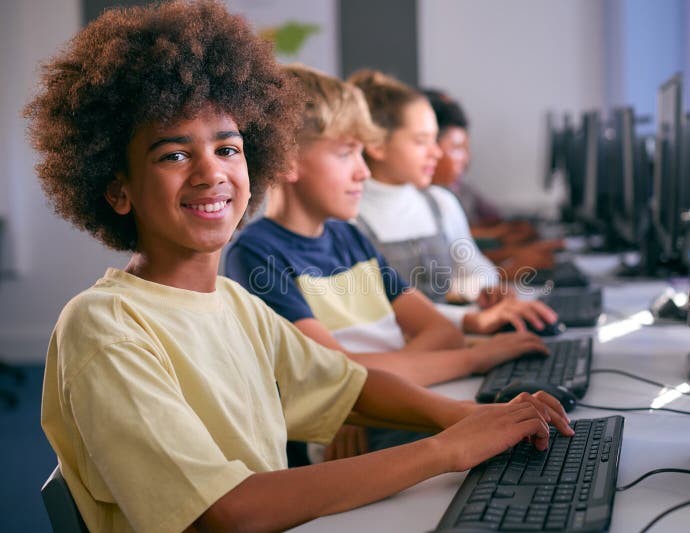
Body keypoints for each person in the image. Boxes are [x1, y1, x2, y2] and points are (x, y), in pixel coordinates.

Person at [27, 2, 572, 532]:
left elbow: (349, 386)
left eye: (228, 148)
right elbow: (229, 511)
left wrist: (473, 419)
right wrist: (445, 450)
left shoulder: (234, 302)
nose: (209, 173)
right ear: (117, 189)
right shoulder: (105, 328)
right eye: (173, 154)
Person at [225, 64, 551, 461]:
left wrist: (371, 377)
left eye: (362, 153)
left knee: (531, 432)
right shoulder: (256, 256)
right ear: (287, 160)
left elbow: (437, 333)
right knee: (516, 444)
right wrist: (474, 356)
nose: (363, 171)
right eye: (346, 153)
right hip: (345, 437)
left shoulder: (350, 238)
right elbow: (336, 377)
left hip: (397, 404)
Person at [350, 69, 560, 333]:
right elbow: (375, 311)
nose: (436, 152)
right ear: (377, 146)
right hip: (410, 350)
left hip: (452, 338)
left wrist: (485, 290)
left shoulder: (440, 203)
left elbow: (475, 266)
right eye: (421, 141)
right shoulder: (349, 215)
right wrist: (467, 319)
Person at [423, 89, 565, 276]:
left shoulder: (441, 200)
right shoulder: (420, 206)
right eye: (457, 148)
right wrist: (509, 266)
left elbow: (465, 260)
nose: (467, 159)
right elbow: (443, 279)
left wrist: (505, 244)